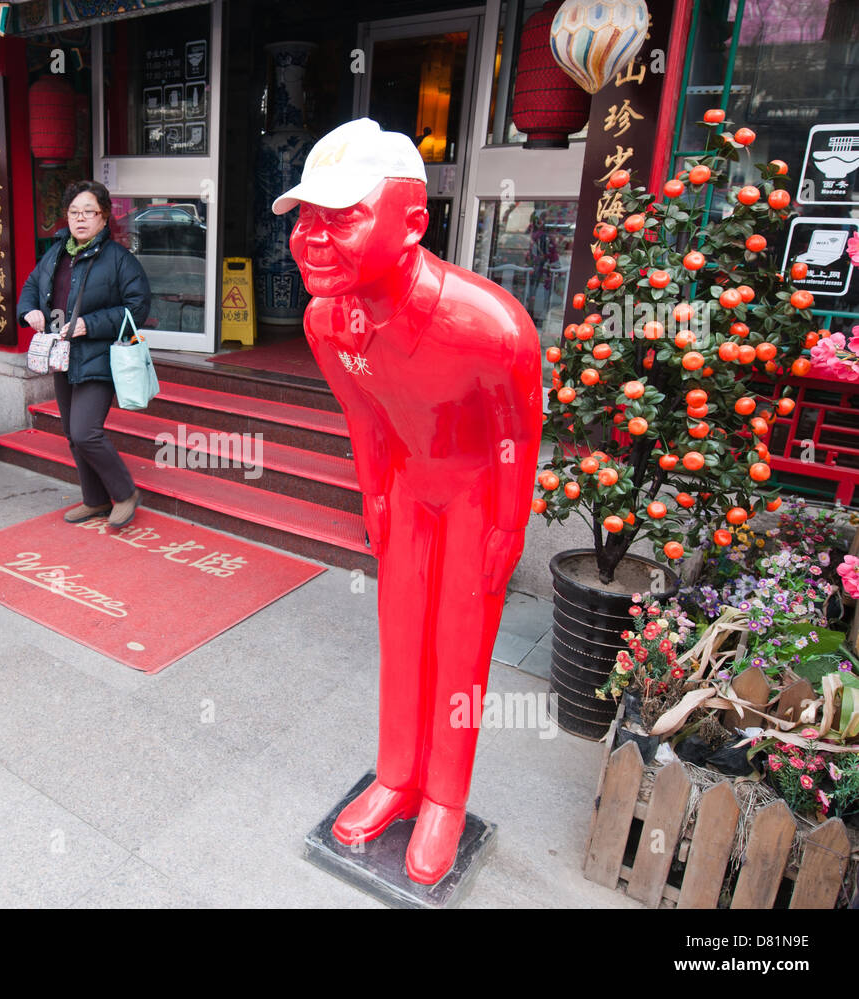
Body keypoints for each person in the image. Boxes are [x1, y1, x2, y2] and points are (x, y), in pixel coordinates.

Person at [275, 119, 543, 884]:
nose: (314, 240)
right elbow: (365, 414)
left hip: (472, 493)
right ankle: (396, 776)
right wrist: (373, 494)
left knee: (459, 647)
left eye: (342, 218)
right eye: (306, 221)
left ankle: (446, 799)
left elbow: (518, 435)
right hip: (403, 485)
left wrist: (505, 525)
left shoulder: (490, 326)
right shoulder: (327, 320)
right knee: (400, 634)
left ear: (413, 222)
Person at [17, 180, 151, 526]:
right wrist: (29, 310)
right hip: (62, 356)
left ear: (104, 217)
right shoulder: (58, 251)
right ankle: (94, 500)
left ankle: (124, 493)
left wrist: (88, 324)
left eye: (89, 212)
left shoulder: (119, 259)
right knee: (72, 435)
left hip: (99, 357)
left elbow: (136, 308)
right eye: (74, 212)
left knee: (85, 431)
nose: (80, 219)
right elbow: (32, 284)